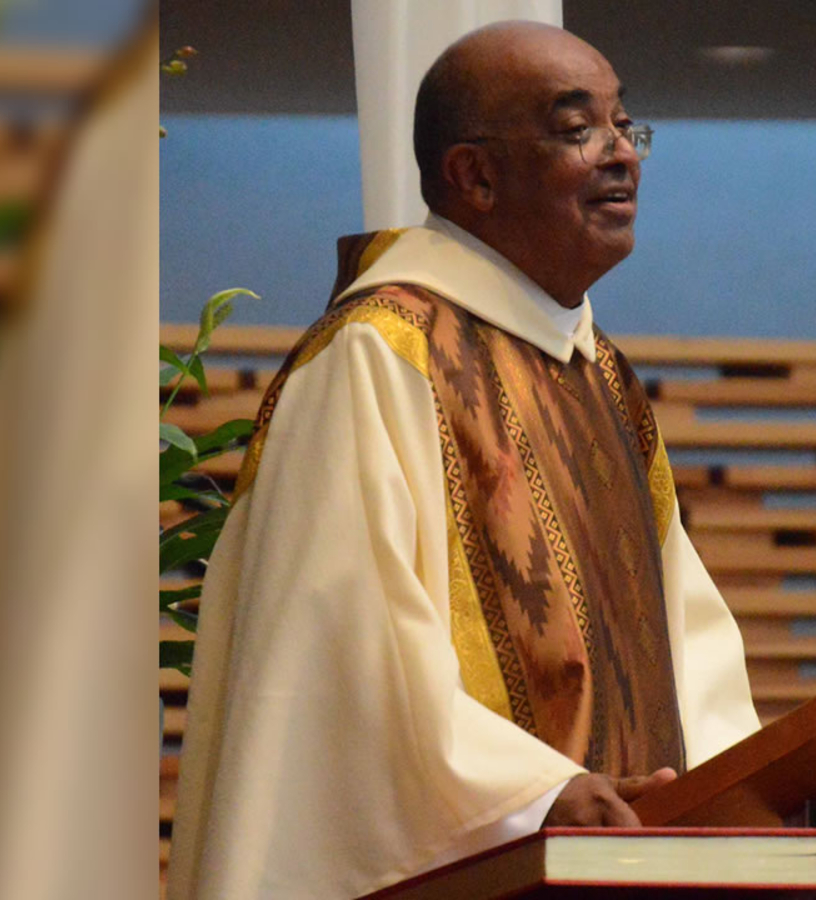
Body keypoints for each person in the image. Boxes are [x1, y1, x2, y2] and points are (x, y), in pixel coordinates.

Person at [166, 21, 759, 900]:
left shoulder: (604, 378)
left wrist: (730, 783)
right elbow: (343, 662)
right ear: (474, 176)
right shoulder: (379, 355)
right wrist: (535, 794)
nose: (621, 156)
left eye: (625, 126)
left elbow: (689, 643)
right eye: (576, 129)